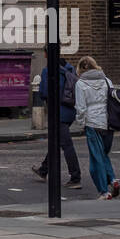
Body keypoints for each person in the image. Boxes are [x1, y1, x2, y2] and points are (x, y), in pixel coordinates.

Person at [73, 55, 119, 200]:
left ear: (80, 69)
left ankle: (104, 191)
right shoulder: (107, 80)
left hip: (92, 123)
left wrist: (81, 123)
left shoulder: (80, 84)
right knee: (103, 154)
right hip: (108, 122)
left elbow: (81, 108)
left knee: (97, 158)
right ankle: (112, 179)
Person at [31, 57, 82, 188]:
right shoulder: (70, 69)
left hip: (58, 114)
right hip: (70, 112)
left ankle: (75, 177)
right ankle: (43, 170)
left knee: (66, 145)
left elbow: (43, 93)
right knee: (56, 142)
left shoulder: (48, 71)